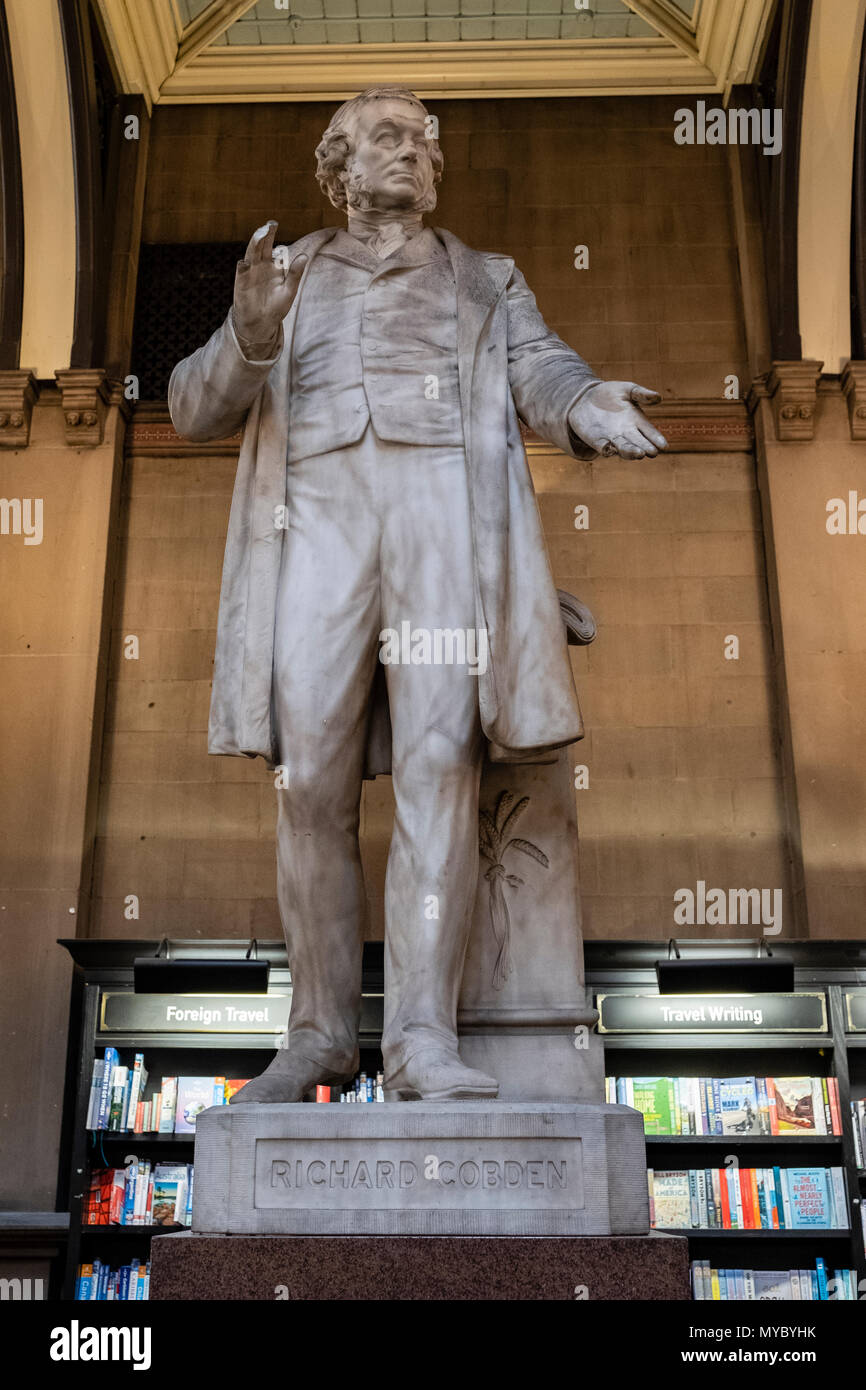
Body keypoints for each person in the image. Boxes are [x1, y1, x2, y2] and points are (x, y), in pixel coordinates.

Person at [169, 86, 667, 1103]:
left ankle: (420, 1039)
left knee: (440, 771)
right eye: (389, 137)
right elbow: (190, 408)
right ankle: (315, 1036)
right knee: (304, 783)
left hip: (442, 523)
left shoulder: (482, 277)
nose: (415, 152)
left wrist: (582, 402)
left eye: (425, 141)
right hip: (316, 528)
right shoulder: (288, 273)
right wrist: (247, 334)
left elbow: (540, 366)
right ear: (337, 164)